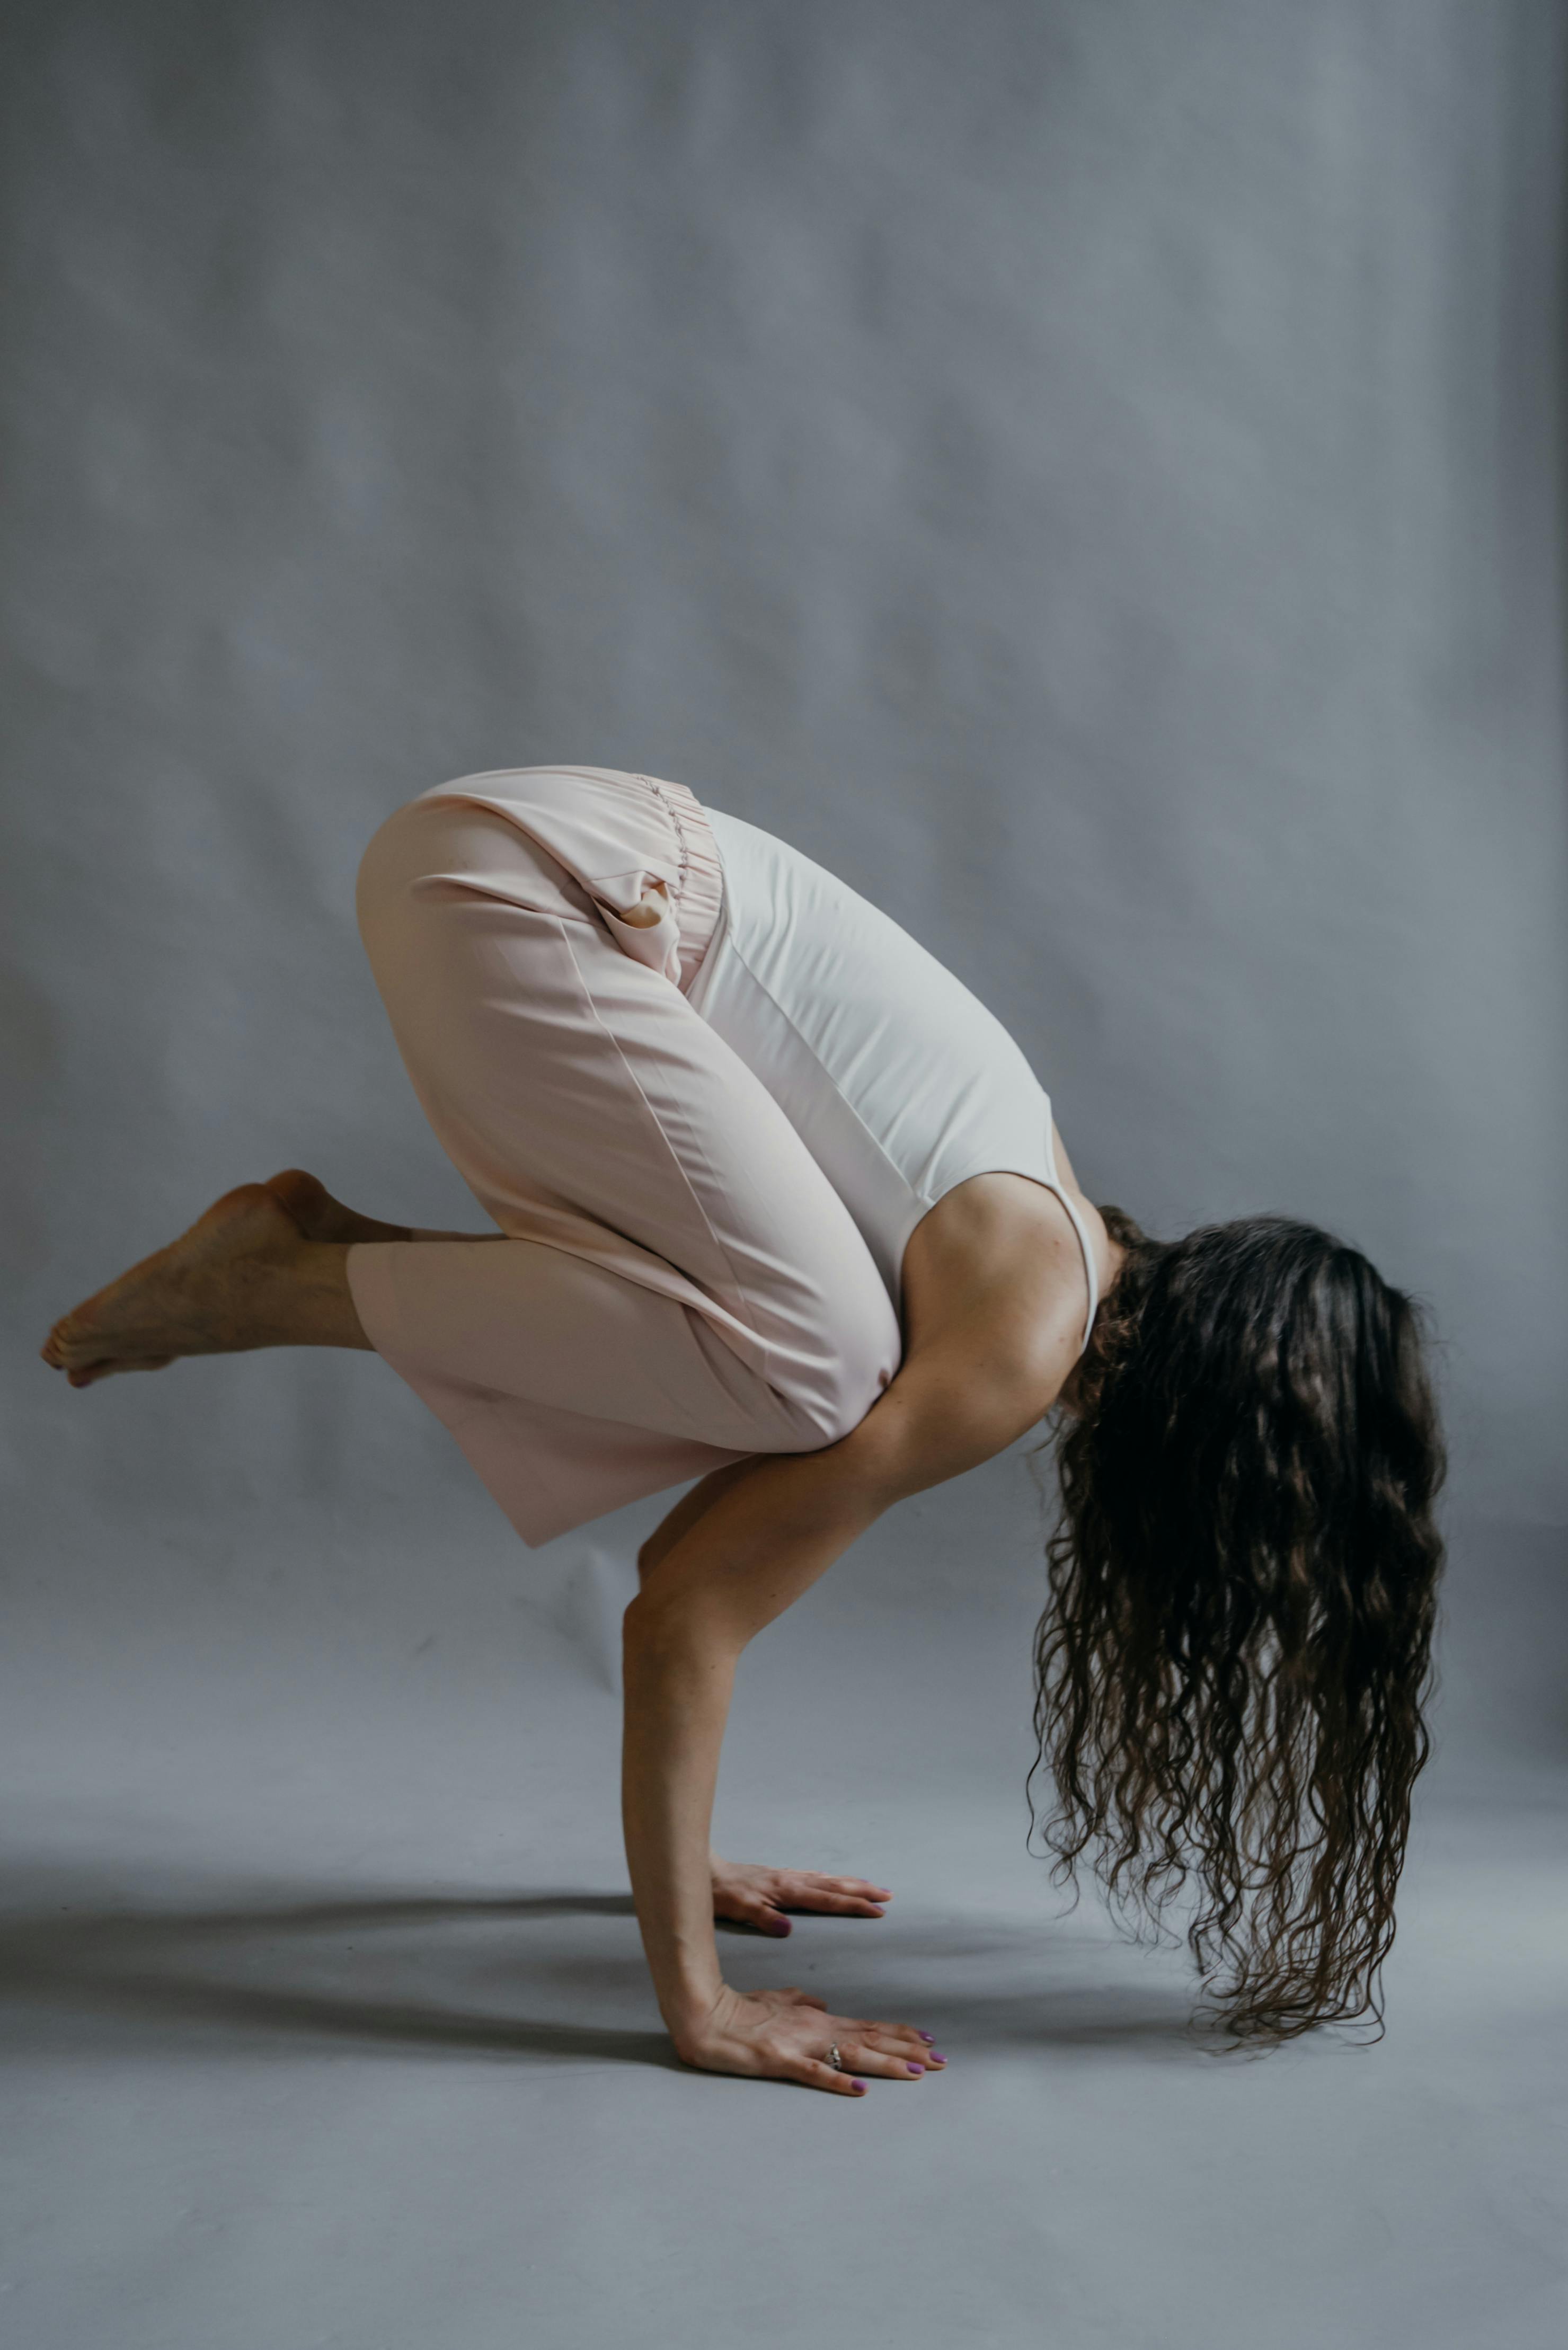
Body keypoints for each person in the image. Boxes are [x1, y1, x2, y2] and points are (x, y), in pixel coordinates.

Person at [40, 765, 1447, 2094]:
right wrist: (698, 1999)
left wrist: (685, 1846)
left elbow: (689, 1558)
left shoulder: (1041, 1251)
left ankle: (313, 1249)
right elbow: (686, 1616)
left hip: (517, 870)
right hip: (532, 892)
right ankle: (273, 1281)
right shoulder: (1016, 1344)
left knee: (812, 1365)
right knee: (815, 1371)